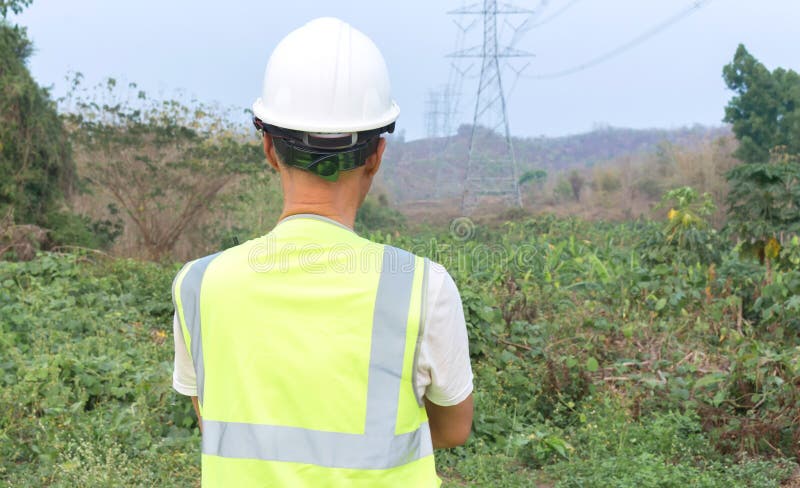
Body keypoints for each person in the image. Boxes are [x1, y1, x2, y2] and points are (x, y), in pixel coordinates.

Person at [171, 17, 473, 487]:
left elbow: (216, 423)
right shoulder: (420, 287)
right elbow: (454, 429)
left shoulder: (198, 284)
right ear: (377, 155)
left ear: (269, 148)